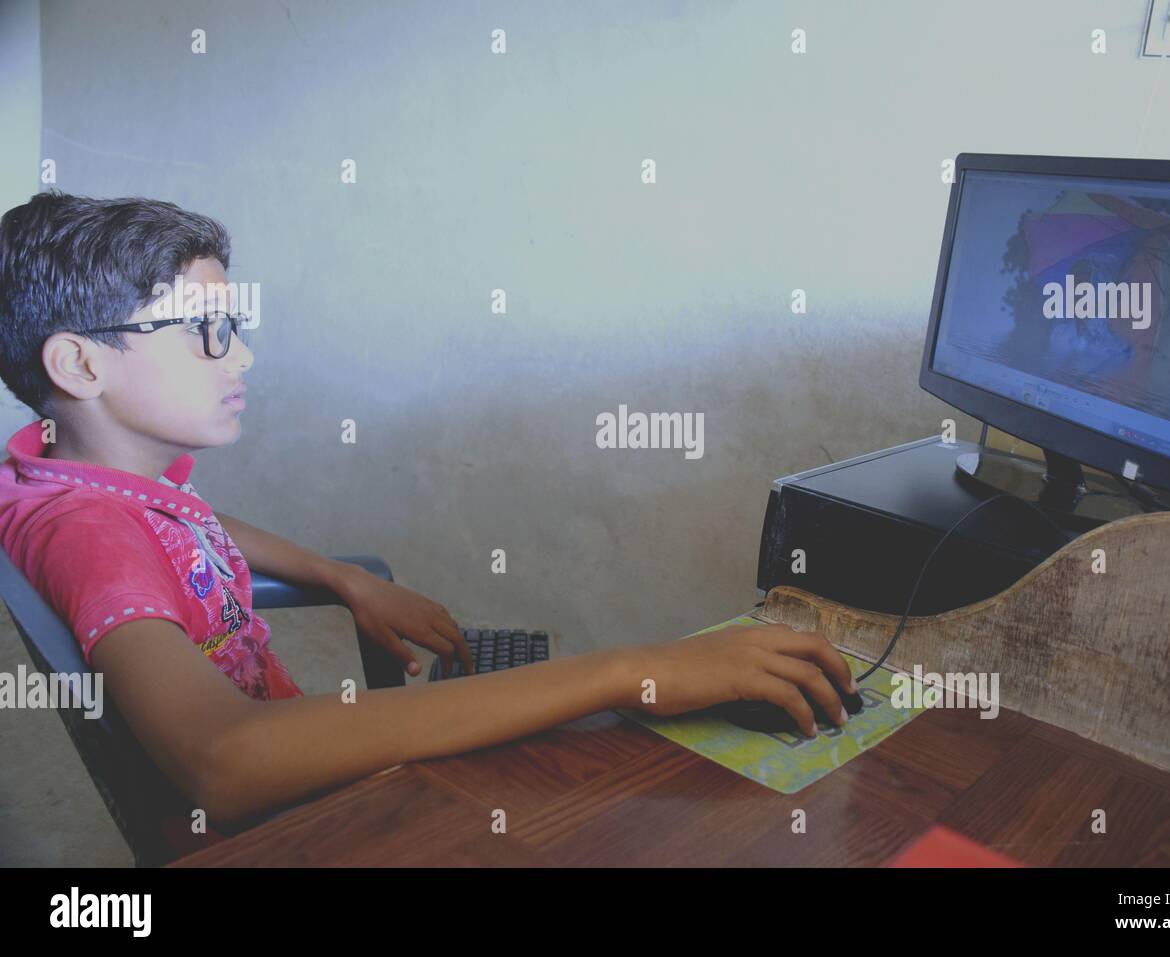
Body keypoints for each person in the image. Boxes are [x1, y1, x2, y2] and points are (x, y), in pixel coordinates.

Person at [0, 191, 854, 854]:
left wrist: (345, 578)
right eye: (206, 334)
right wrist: (629, 669)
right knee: (621, 799)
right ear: (79, 361)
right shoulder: (93, 534)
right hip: (282, 831)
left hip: (302, 784)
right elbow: (223, 760)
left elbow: (192, 522)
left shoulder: (69, 471)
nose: (244, 356)